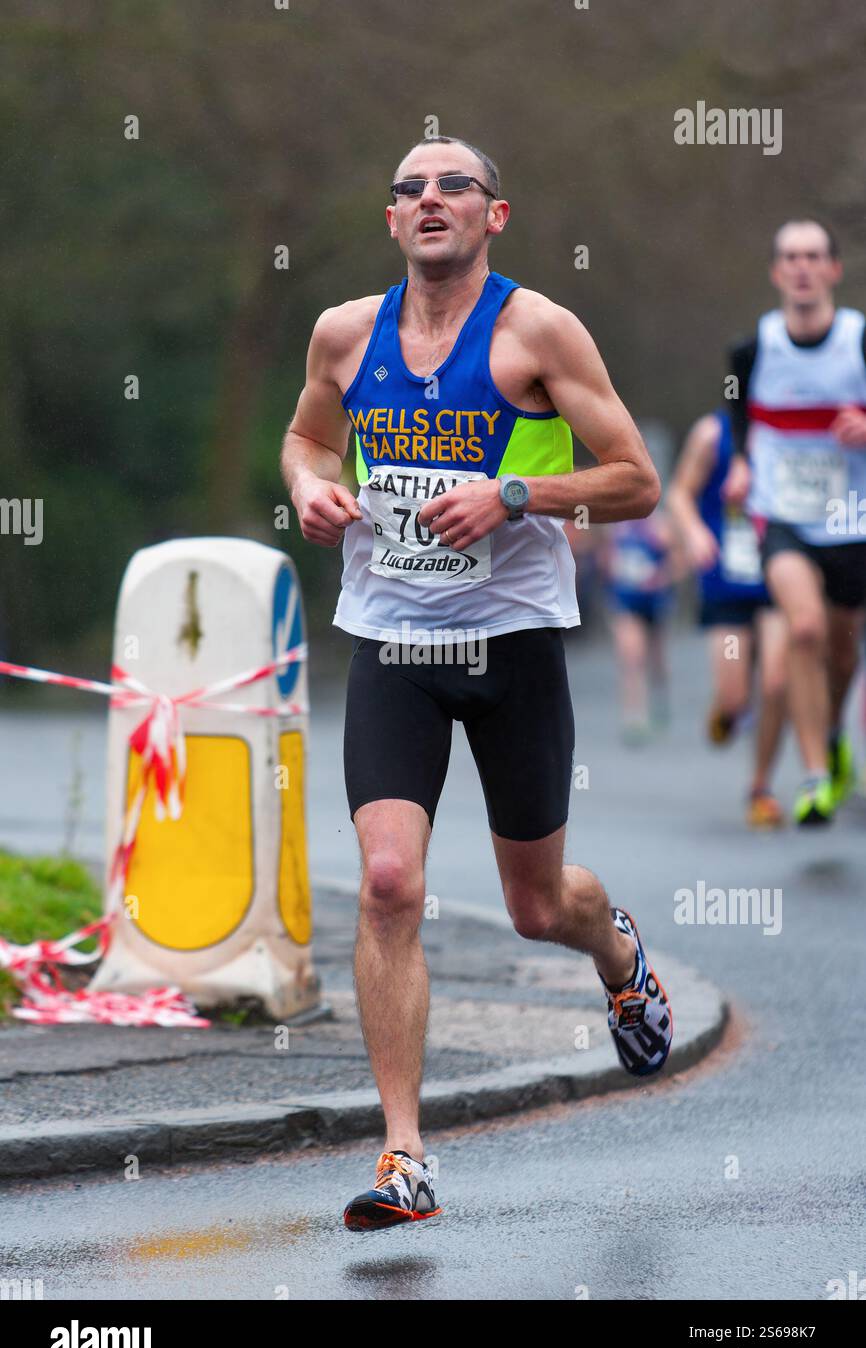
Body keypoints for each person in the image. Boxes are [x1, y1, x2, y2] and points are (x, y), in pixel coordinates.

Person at [281, 135, 673, 1232]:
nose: (430, 198)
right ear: (391, 221)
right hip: (393, 644)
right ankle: (404, 1155)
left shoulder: (537, 331)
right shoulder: (344, 334)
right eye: (409, 188)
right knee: (387, 883)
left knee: (536, 907)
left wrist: (514, 494)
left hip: (512, 644)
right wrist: (308, 488)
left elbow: (636, 481)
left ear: (494, 215)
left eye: (454, 184)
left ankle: (616, 951)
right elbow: (307, 440)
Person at [724, 220, 866, 825]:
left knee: (841, 654)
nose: (802, 267)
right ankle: (813, 777)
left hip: (851, 521)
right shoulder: (752, 350)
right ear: (777, 272)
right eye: (790, 257)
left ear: (833, 269)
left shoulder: (859, 340)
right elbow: (739, 418)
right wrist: (739, 464)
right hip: (781, 515)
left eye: (813, 256)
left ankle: (832, 737)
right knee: (803, 628)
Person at [668, 409, 788, 827]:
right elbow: (679, 493)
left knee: (776, 682)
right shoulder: (711, 433)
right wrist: (694, 532)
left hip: (780, 576)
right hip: (727, 580)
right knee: (736, 697)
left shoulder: (794, 428)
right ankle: (728, 708)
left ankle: (760, 788)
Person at [603, 514, 677, 744]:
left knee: (656, 659)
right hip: (626, 601)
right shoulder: (615, 526)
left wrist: (661, 577)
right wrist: (611, 568)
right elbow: (605, 559)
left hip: (654, 602)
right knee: (632, 658)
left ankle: (659, 698)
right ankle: (634, 715)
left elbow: (679, 559)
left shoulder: (660, 526)